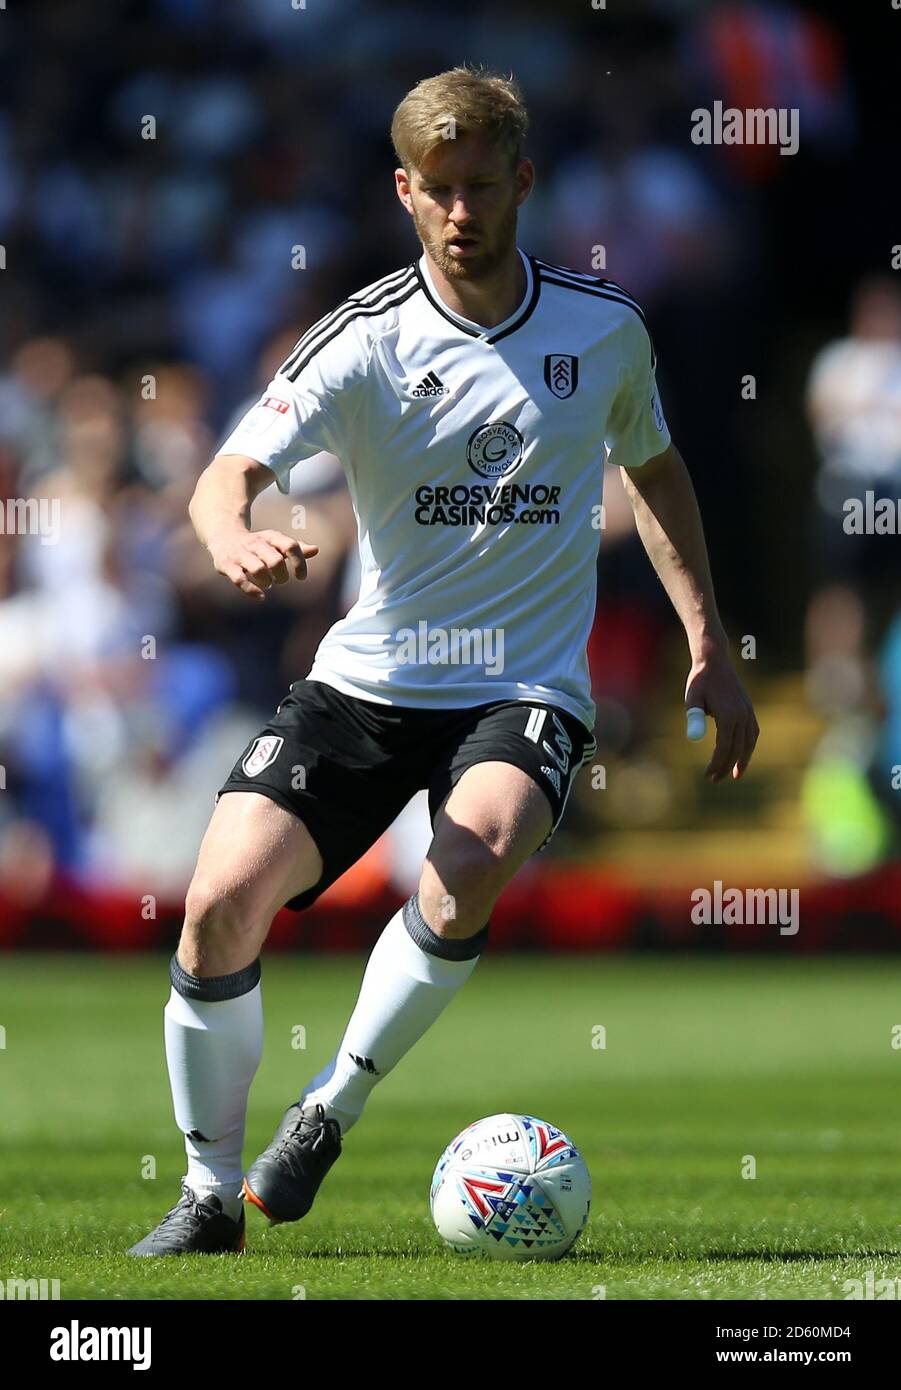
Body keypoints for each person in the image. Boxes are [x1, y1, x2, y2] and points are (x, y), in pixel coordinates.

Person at [128, 66, 758, 1256]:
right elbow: (226, 477)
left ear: (521, 182)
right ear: (405, 192)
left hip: (521, 685)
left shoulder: (602, 329)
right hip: (367, 679)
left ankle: (329, 1111)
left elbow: (657, 471)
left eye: (482, 187)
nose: (461, 211)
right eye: (439, 191)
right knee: (215, 904)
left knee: (470, 853)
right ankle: (212, 1194)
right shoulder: (362, 340)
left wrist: (709, 647)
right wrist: (234, 537)